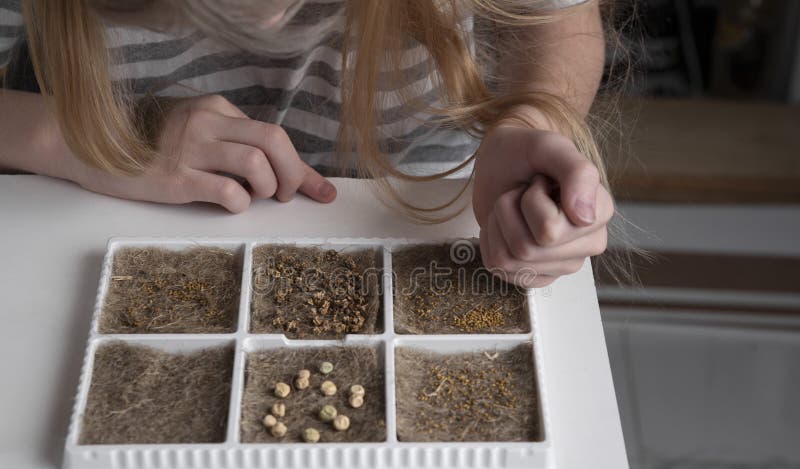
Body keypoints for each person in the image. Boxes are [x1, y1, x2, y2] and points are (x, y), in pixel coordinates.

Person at [0, 0, 615, 288]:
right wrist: (78, 137)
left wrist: (530, 124)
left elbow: (559, 19)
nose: (263, 18)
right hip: (89, 206)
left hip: (431, 188)